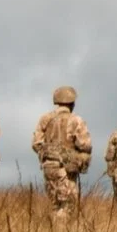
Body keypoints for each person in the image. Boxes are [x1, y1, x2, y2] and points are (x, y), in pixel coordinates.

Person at [31, 86, 93, 222]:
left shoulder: (45, 119)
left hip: (48, 167)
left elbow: (36, 143)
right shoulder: (76, 120)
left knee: (55, 204)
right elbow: (85, 145)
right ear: (72, 103)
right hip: (65, 169)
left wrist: (48, 153)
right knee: (67, 205)